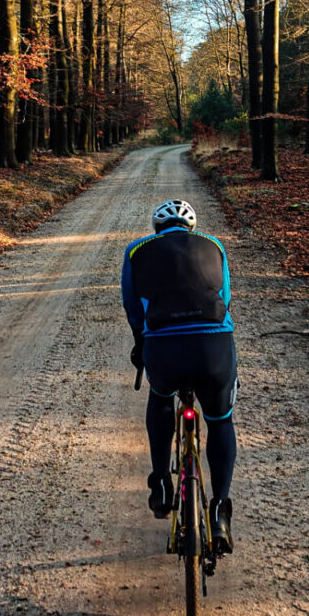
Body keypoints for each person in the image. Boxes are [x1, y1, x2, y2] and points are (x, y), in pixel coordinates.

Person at [121, 198, 238, 552]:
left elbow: (132, 307)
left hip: (165, 348)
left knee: (159, 397)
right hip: (213, 347)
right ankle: (219, 510)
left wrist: (141, 344)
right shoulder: (215, 245)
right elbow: (225, 299)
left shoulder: (136, 251)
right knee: (220, 421)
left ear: (157, 228)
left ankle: (160, 483)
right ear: (191, 227)